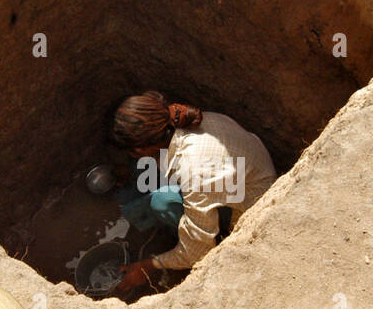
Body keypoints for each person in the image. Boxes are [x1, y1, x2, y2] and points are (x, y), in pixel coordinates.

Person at [108, 91, 276, 293]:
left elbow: (196, 252)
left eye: (133, 151)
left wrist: (147, 266)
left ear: (144, 148)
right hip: (237, 179)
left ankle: (192, 232)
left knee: (162, 202)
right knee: (142, 171)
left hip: (250, 206)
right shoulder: (184, 121)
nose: (133, 155)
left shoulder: (195, 170)